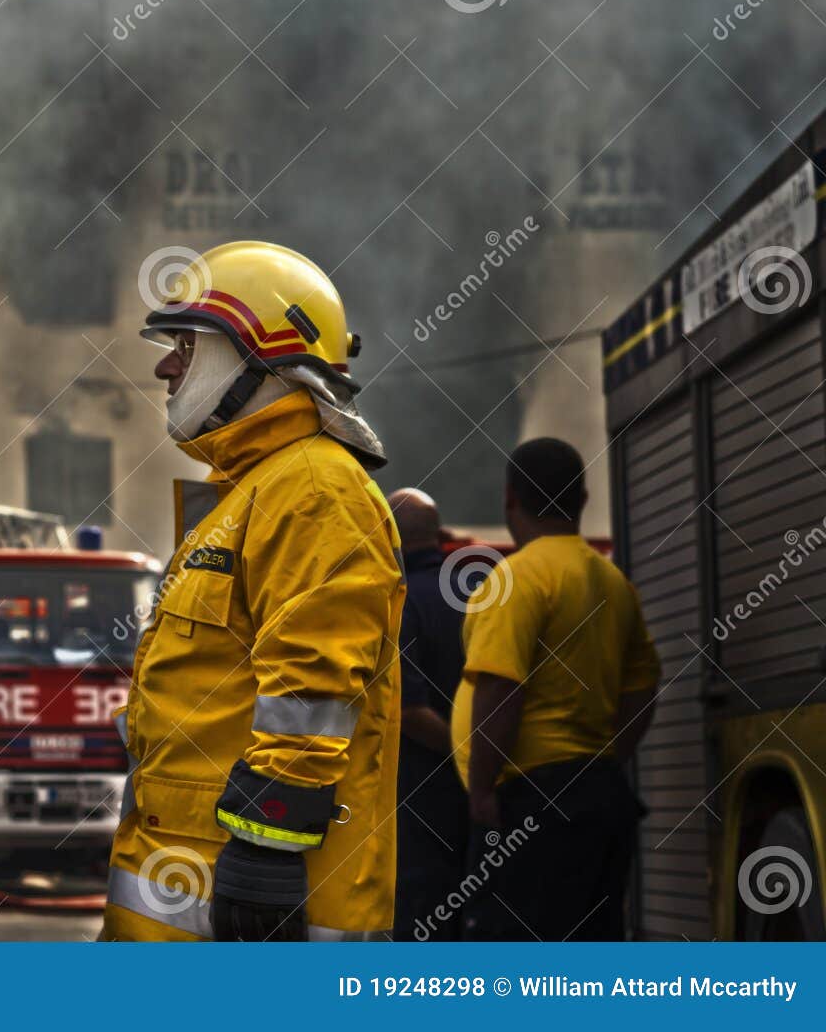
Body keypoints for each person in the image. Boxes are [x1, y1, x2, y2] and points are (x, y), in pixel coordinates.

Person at [102, 240, 403, 942]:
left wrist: (269, 842)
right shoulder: (255, 490)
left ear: (258, 352)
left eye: (186, 342)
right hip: (191, 896)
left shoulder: (315, 490)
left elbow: (313, 691)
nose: (164, 365)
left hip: (254, 909)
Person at [450, 437, 659, 940]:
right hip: (599, 797)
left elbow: (500, 690)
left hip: (533, 806)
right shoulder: (613, 582)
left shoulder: (516, 581)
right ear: (582, 499)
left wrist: (481, 791)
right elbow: (642, 691)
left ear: (510, 499)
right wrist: (603, 759)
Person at [385, 488, 468, 941]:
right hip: (490, 791)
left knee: (425, 927)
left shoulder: (402, 601)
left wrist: (462, 752)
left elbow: (411, 712)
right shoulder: (479, 590)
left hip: (422, 797)